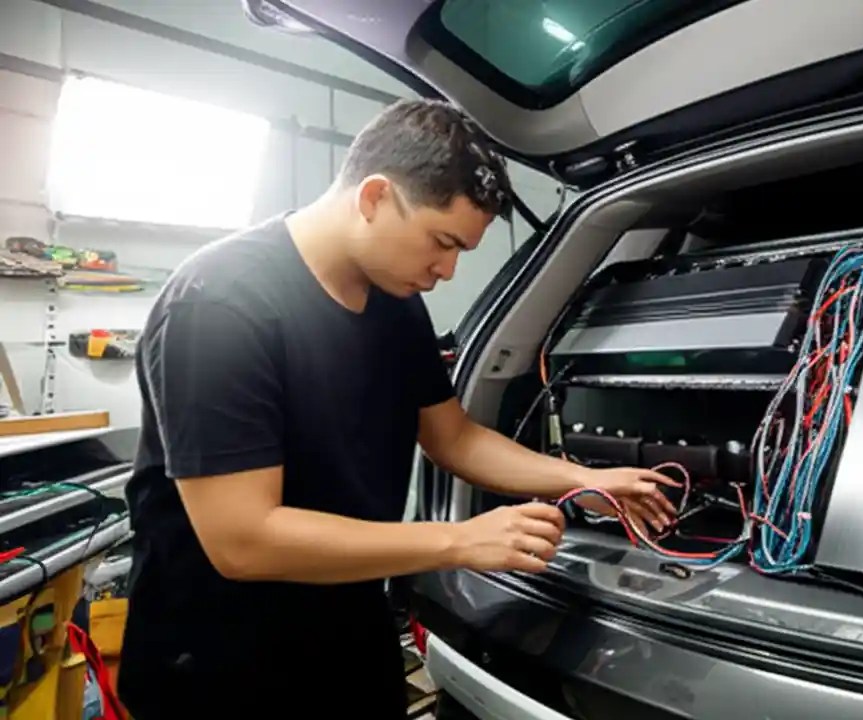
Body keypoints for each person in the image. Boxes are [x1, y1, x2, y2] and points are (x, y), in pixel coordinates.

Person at [116, 99, 678, 718]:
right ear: (375, 196)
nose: (447, 270)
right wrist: (456, 541)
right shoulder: (220, 306)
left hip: (344, 626)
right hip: (220, 662)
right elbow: (244, 541)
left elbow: (454, 438)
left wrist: (584, 479)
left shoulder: (395, 301)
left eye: (461, 250)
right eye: (441, 242)